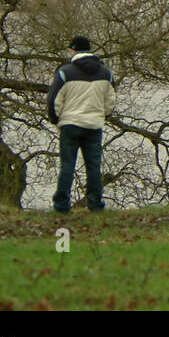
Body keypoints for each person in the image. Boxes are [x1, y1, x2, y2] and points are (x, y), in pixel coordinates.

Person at [47, 35, 116, 213]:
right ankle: (94, 204)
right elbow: (111, 101)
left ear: (73, 50)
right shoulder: (106, 73)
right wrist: (103, 115)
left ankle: (62, 205)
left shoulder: (65, 72)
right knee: (93, 166)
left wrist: (56, 120)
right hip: (94, 125)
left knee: (68, 165)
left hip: (70, 124)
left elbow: (53, 100)